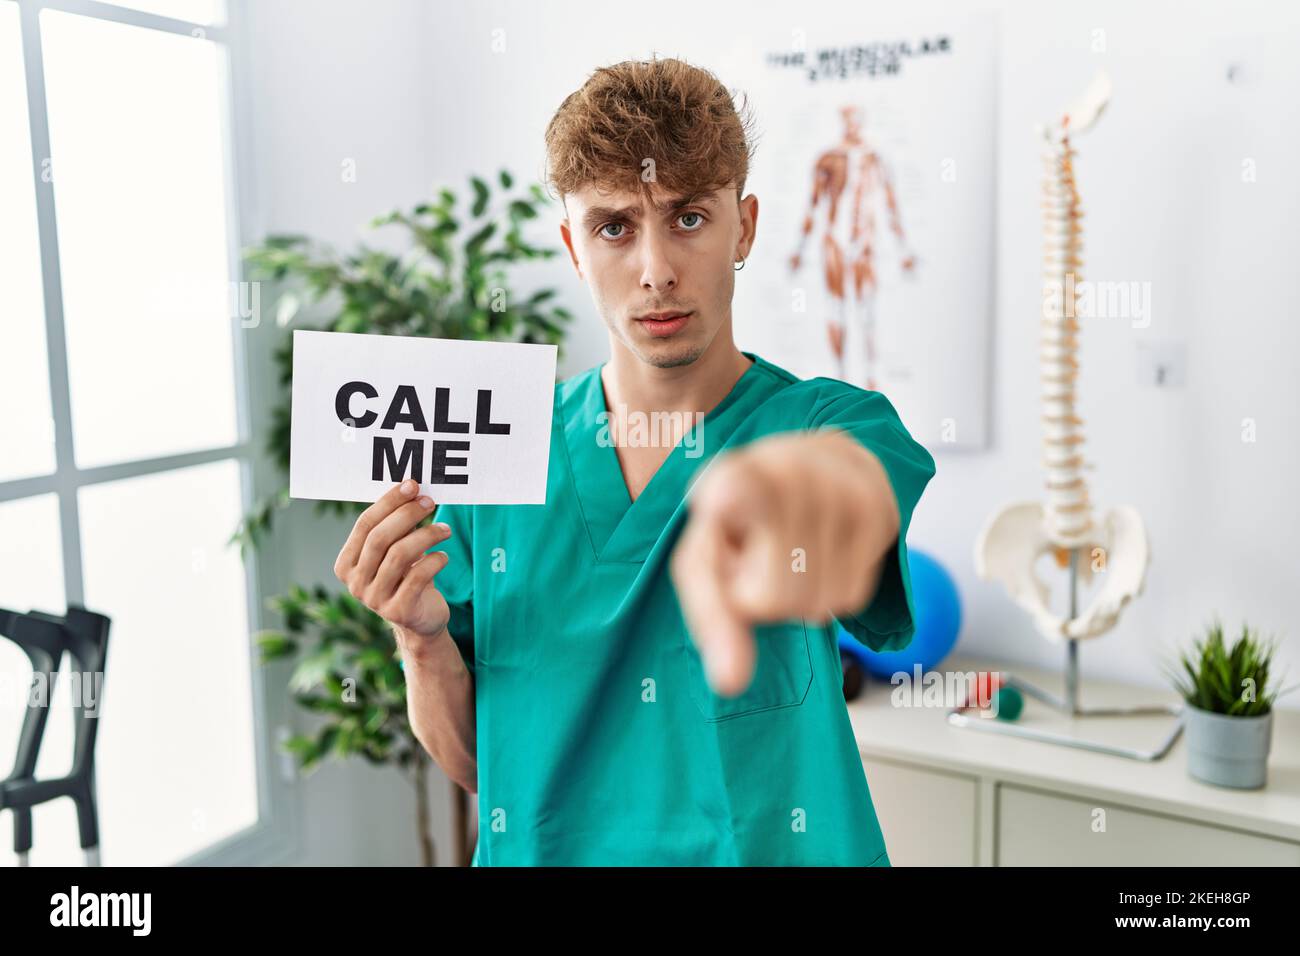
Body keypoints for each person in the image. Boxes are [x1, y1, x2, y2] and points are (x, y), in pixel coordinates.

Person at [333, 56, 936, 866]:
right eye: (614, 226)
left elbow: (858, 486)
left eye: (688, 218)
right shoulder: (499, 450)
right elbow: (489, 771)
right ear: (574, 249)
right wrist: (419, 639)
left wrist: (806, 498)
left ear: (745, 226)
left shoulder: (822, 422)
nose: (656, 270)